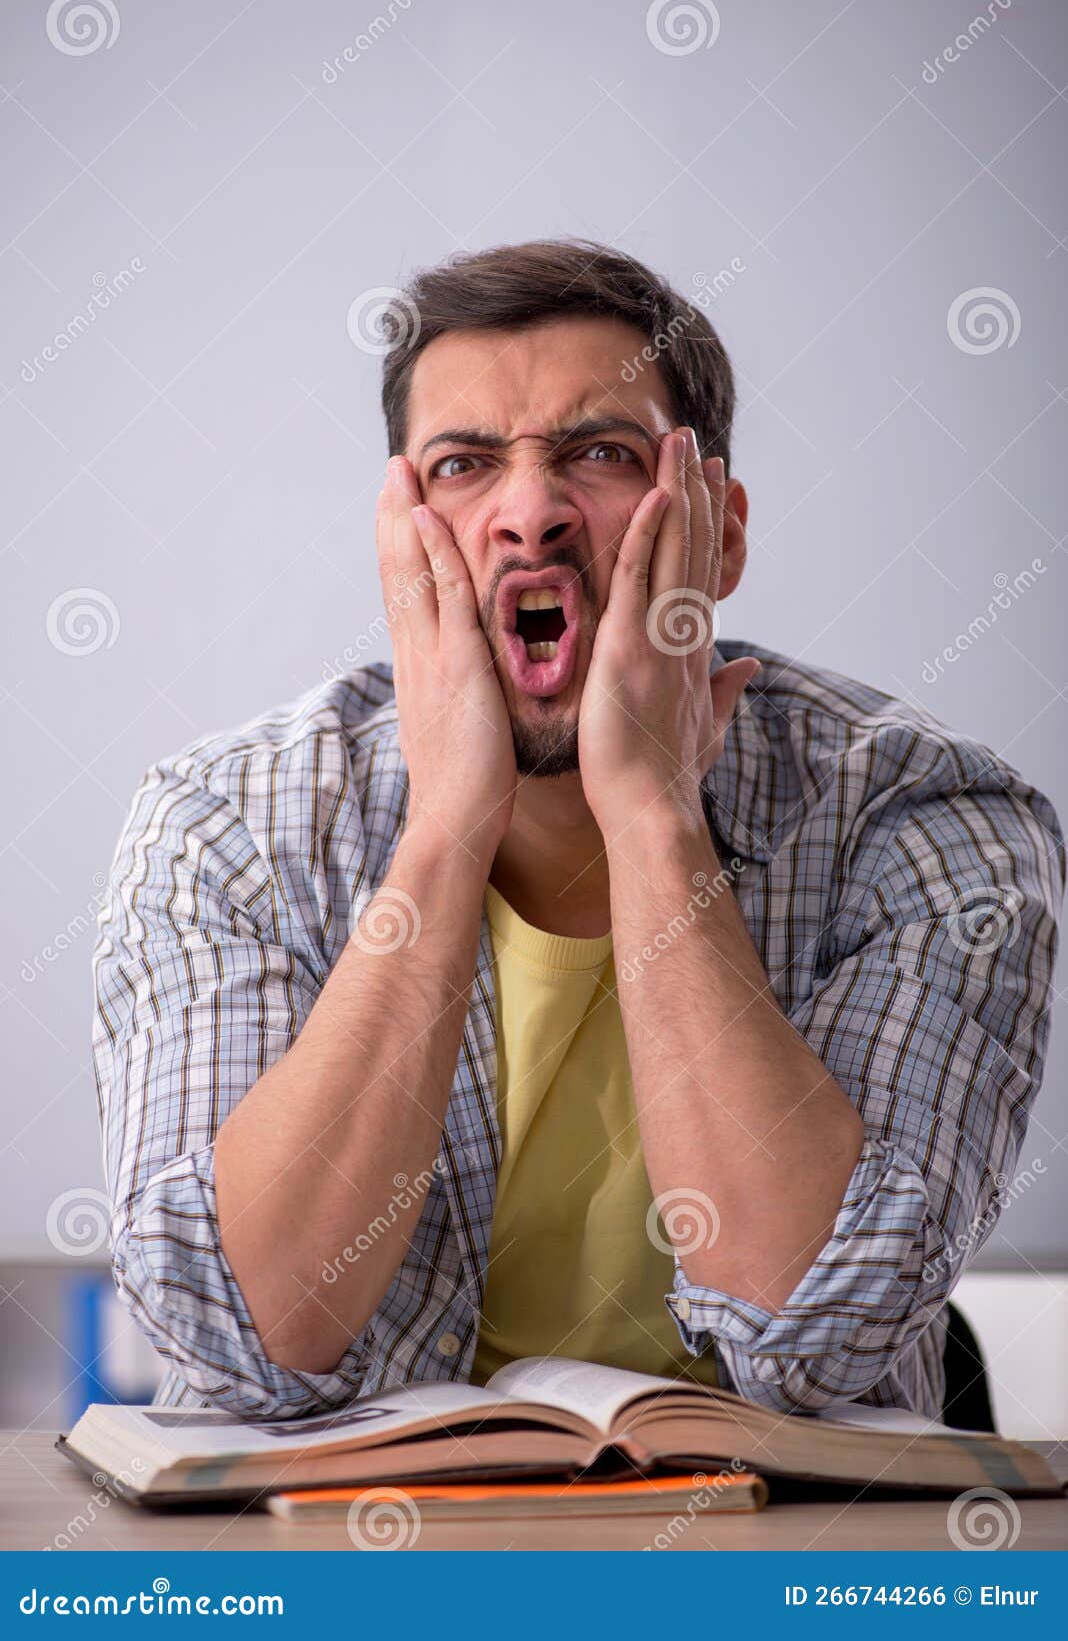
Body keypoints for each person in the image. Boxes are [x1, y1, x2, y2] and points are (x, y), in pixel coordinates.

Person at [92, 240, 1063, 1422]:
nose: (530, 513)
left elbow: (818, 1329)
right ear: (402, 538)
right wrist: (448, 824)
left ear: (725, 529)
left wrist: (653, 814)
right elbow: (249, 1341)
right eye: (463, 465)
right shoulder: (221, 824)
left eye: (598, 453)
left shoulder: (931, 821)